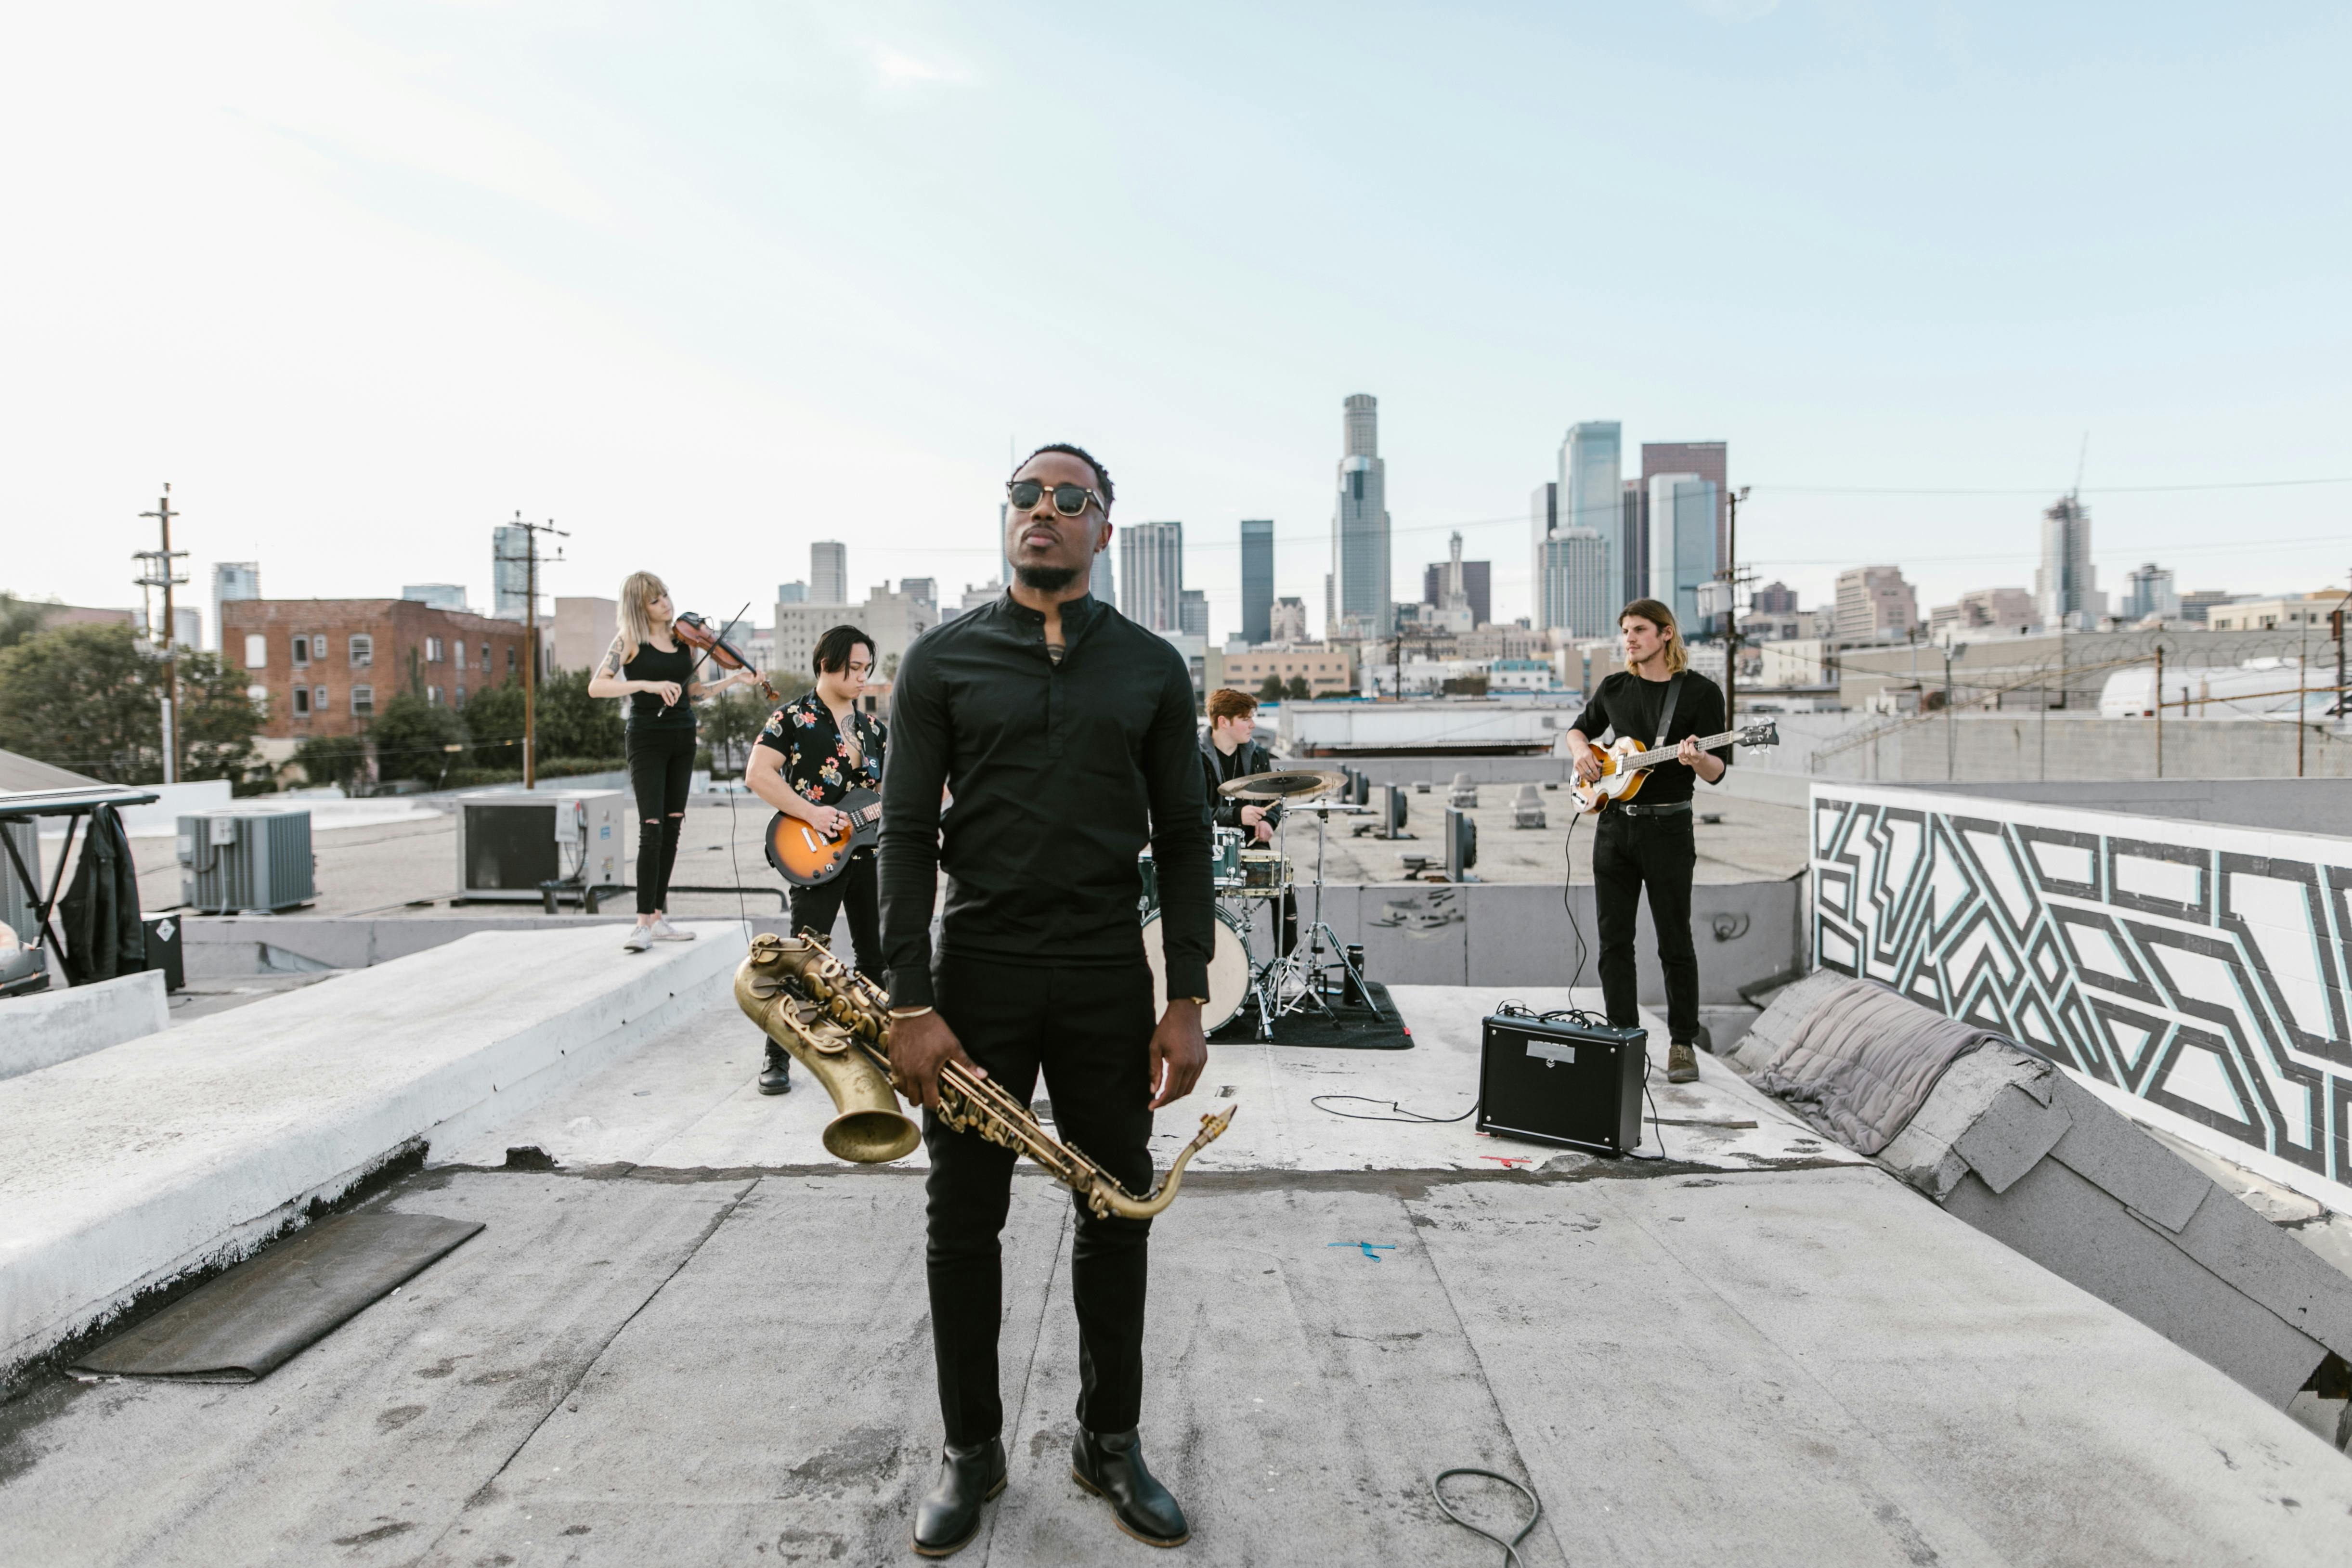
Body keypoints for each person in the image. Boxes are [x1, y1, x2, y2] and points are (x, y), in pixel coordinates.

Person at [881, 442, 1211, 1556]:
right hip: (976, 968)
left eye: (1070, 500)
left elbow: (1184, 839)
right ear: (1005, 516)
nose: (1043, 512)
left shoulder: (1153, 669)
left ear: (1103, 530)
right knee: (961, 1220)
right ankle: (970, 1452)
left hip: (1104, 968)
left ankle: (1105, 1441)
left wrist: (1188, 997)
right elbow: (907, 837)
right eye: (1025, 495)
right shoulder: (939, 661)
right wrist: (907, 999)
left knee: (1116, 1206)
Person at [1564, 598, 1730, 1085]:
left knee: (1674, 939)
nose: (1629, 639)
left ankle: (1682, 1042)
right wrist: (1581, 754)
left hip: (1668, 829)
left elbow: (1719, 770)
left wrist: (1695, 759)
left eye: (1638, 630)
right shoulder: (1615, 686)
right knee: (1614, 940)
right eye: (1625, 631)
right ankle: (1624, 1037)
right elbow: (1579, 729)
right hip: (1613, 825)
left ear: (1666, 635)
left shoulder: (1701, 692)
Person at [744, 624, 886, 1095]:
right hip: (812, 853)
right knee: (801, 958)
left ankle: (876, 1048)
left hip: (867, 854)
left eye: (868, 668)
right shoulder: (792, 718)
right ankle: (776, 1056)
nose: (864, 677)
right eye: (856, 668)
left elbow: (890, 792)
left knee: (874, 956)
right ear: (827, 663)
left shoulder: (873, 728)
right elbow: (758, 774)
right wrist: (811, 813)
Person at [586, 572, 760, 952]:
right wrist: (645, 685)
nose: (665, 603)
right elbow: (597, 685)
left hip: (683, 737)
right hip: (647, 739)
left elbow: (694, 694)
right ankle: (641, 923)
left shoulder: (686, 642)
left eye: (665, 595)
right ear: (639, 607)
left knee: (673, 827)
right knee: (651, 829)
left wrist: (735, 682)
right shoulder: (629, 641)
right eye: (655, 600)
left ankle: (659, 917)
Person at [1199, 687, 1280, 844]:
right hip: (1208, 847)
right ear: (1223, 722)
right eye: (1245, 719)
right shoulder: (1194, 758)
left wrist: (1268, 821)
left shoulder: (1258, 755)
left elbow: (1273, 799)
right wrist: (1235, 815)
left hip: (1252, 843)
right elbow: (1191, 812)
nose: (1253, 725)